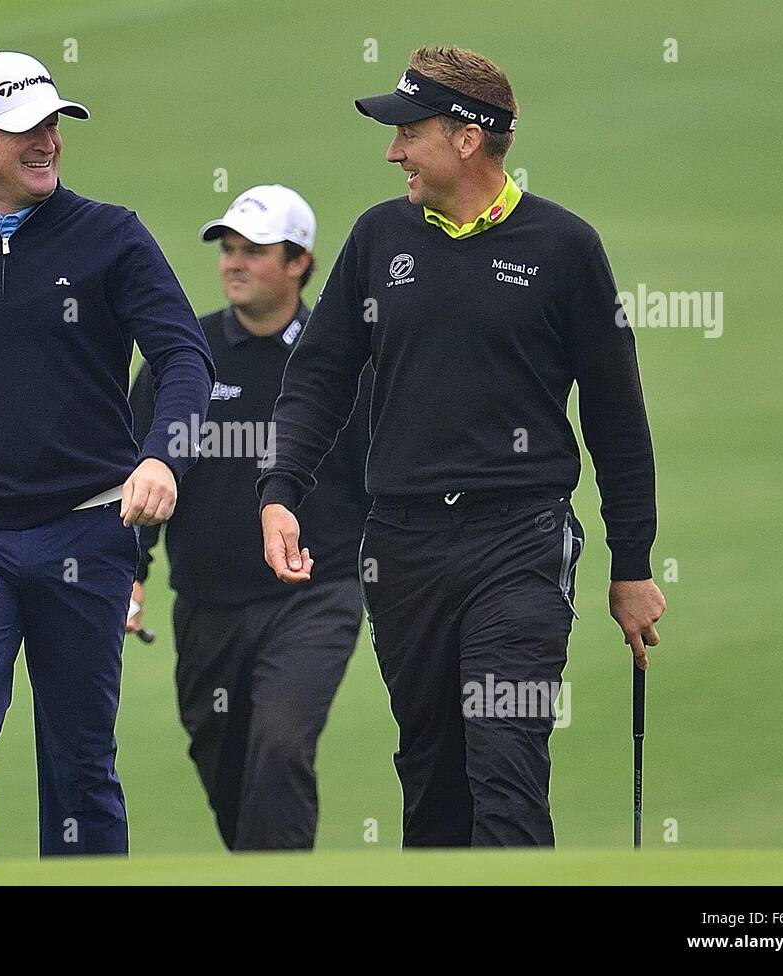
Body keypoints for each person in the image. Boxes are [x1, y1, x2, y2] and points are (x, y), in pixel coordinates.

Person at [257, 47, 667, 847]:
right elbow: (319, 378)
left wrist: (633, 563)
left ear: (467, 139)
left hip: (519, 540)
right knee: (433, 776)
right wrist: (280, 492)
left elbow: (617, 416)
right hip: (404, 547)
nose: (393, 151)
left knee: (505, 763)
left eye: (409, 132)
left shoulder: (563, 246)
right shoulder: (380, 239)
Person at [0, 50, 214, 859]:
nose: (46, 141)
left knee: (80, 763)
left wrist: (163, 457)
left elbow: (185, 359)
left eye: (53, 123)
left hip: (86, 535)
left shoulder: (112, 238)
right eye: (24, 128)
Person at [129, 186, 372, 850]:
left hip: (314, 596)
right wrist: (131, 570)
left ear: (299, 263)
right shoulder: (185, 361)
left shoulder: (344, 357)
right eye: (228, 249)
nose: (234, 263)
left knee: (280, 744)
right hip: (207, 605)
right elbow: (142, 476)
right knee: (228, 768)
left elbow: (380, 478)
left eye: (255, 251)